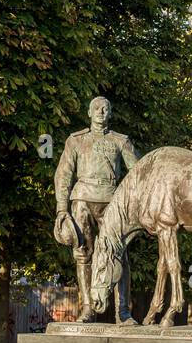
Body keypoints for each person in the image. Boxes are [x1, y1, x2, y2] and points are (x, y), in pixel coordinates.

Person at [54, 96, 138, 321]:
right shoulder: (75, 141)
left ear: (110, 114)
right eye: (96, 108)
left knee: (119, 256)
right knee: (83, 255)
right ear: (89, 113)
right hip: (82, 201)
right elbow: (63, 175)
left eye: (106, 108)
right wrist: (62, 210)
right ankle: (88, 308)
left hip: (112, 203)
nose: (101, 111)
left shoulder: (121, 141)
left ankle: (123, 311)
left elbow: (139, 175)